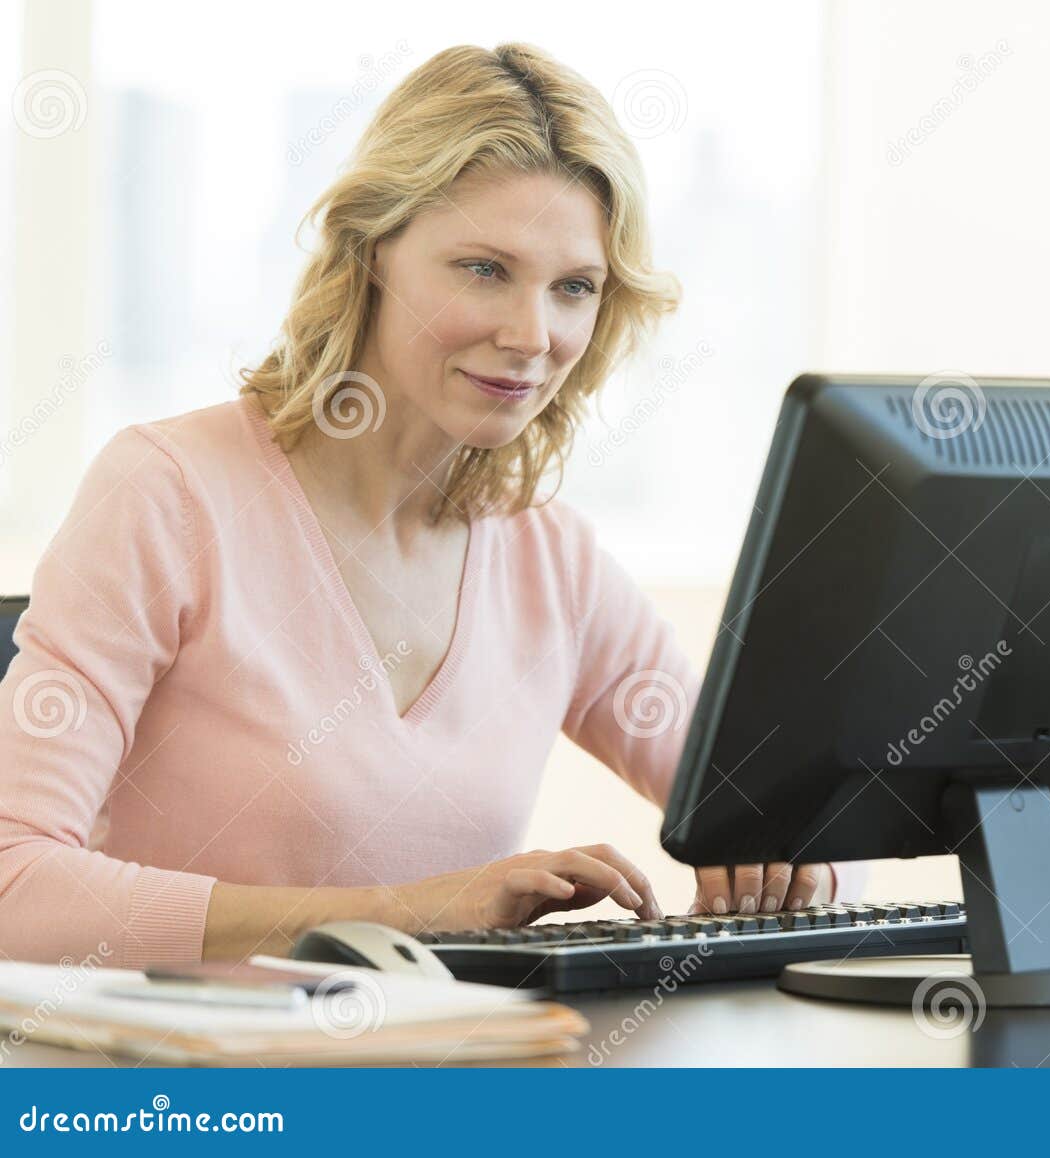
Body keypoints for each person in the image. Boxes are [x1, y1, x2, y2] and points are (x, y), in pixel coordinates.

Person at [0, 42, 855, 968]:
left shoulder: (550, 560)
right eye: (484, 268)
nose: (533, 336)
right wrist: (404, 912)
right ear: (372, 252)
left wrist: (786, 856)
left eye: (574, 287)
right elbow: (14, 887)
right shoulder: (166, 493)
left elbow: (768, 812)